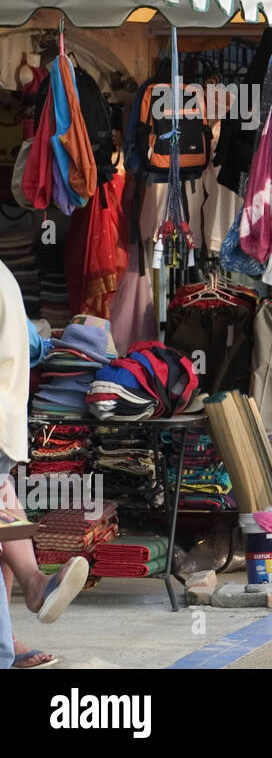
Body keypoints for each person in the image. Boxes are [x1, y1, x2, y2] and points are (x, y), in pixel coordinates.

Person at [0, 259, 90, 668]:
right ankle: (28, 599)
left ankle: (33, 588)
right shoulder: (3, 275)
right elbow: (32, 346)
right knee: (4, 513)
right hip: (7, 422)